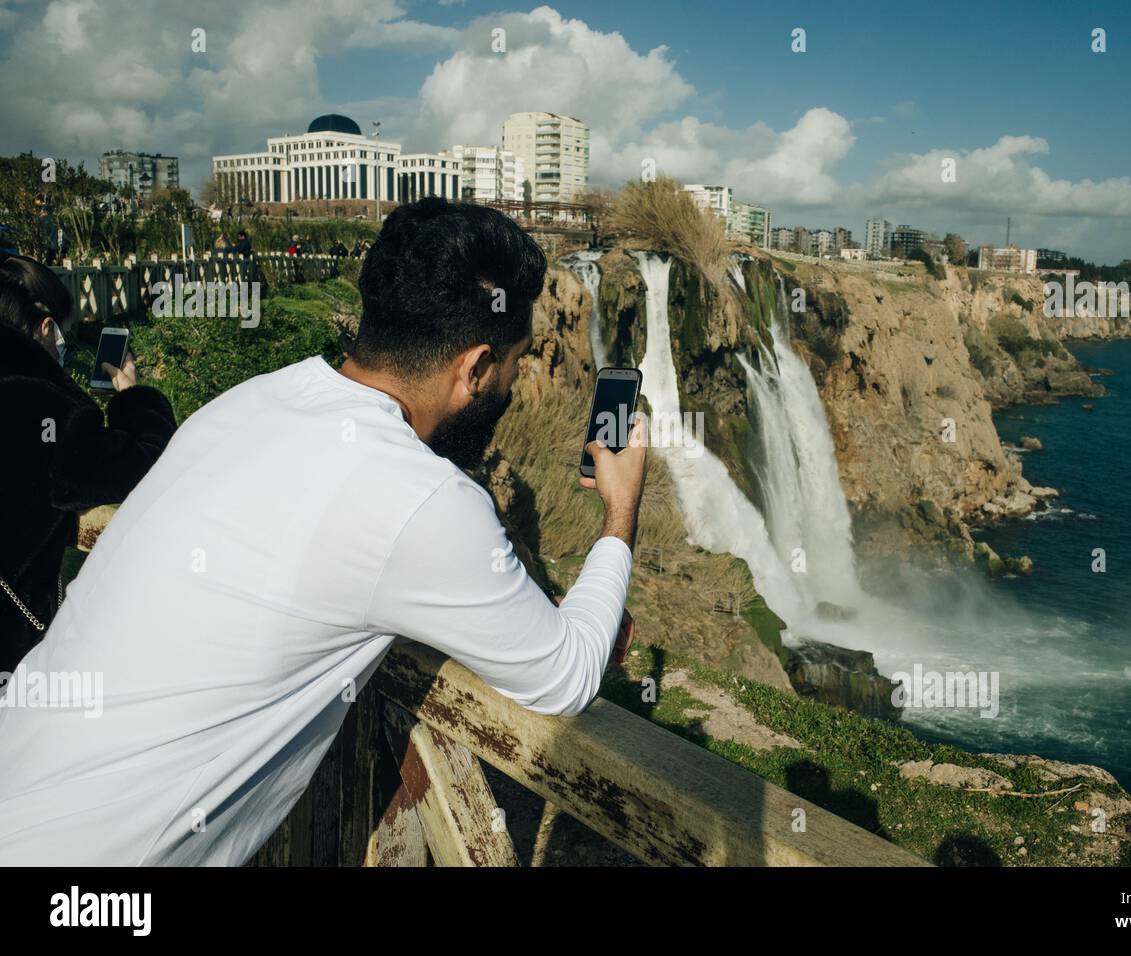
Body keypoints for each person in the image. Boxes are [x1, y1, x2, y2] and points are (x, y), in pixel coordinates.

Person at [0, 198, 647, 866]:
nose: (511, 385)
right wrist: (619, 513)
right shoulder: (422, 497)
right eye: (513, 365)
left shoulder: (247, 402)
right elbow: (566, 677)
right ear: (476, 367)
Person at [0, 254, 177, 674]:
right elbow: (144, 464)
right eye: (69, 336)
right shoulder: (39, 405)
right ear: (46, 329)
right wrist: (132, 396)